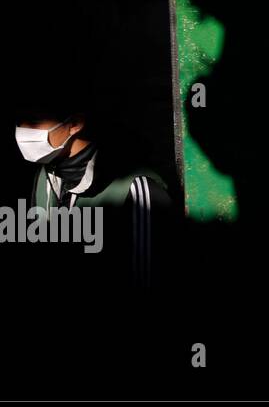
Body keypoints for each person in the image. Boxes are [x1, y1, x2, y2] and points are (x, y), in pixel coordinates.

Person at [13, 89, 173, 288]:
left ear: (75, 125)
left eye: (34, 123)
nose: (22, 131)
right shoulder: (44, 176)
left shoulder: (135, 187)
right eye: (19, 122)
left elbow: (151, 278)